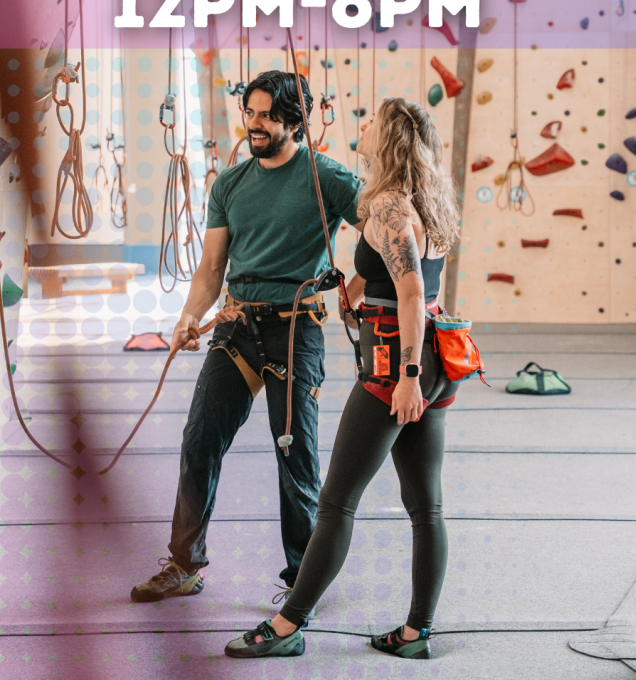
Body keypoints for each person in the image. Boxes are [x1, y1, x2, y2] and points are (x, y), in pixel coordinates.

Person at [224, 97, 461, 661]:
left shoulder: (388, 207)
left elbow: (407, 294)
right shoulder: (428, 204)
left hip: (394, 368)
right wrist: (353, 293)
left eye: (371, 122)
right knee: (426, 507)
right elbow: (416, 284)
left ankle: (287, 626)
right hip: (435, 362)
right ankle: (416, 632)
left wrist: (404, 376)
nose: (361, 126)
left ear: (391, 139)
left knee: (335, 503)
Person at [130, 70, 363, 605]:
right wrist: (190, 316)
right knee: (199, 438)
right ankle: (184, 563)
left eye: (266, 116)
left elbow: (385, 241)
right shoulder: (230, 184)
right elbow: (212, 266)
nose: (253, 125)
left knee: (295, 452)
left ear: (295, 120)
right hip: (238, 324)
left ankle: (304, 577)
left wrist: (350, 293)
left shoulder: (329, 179)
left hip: (295, 329)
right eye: (250, 113)